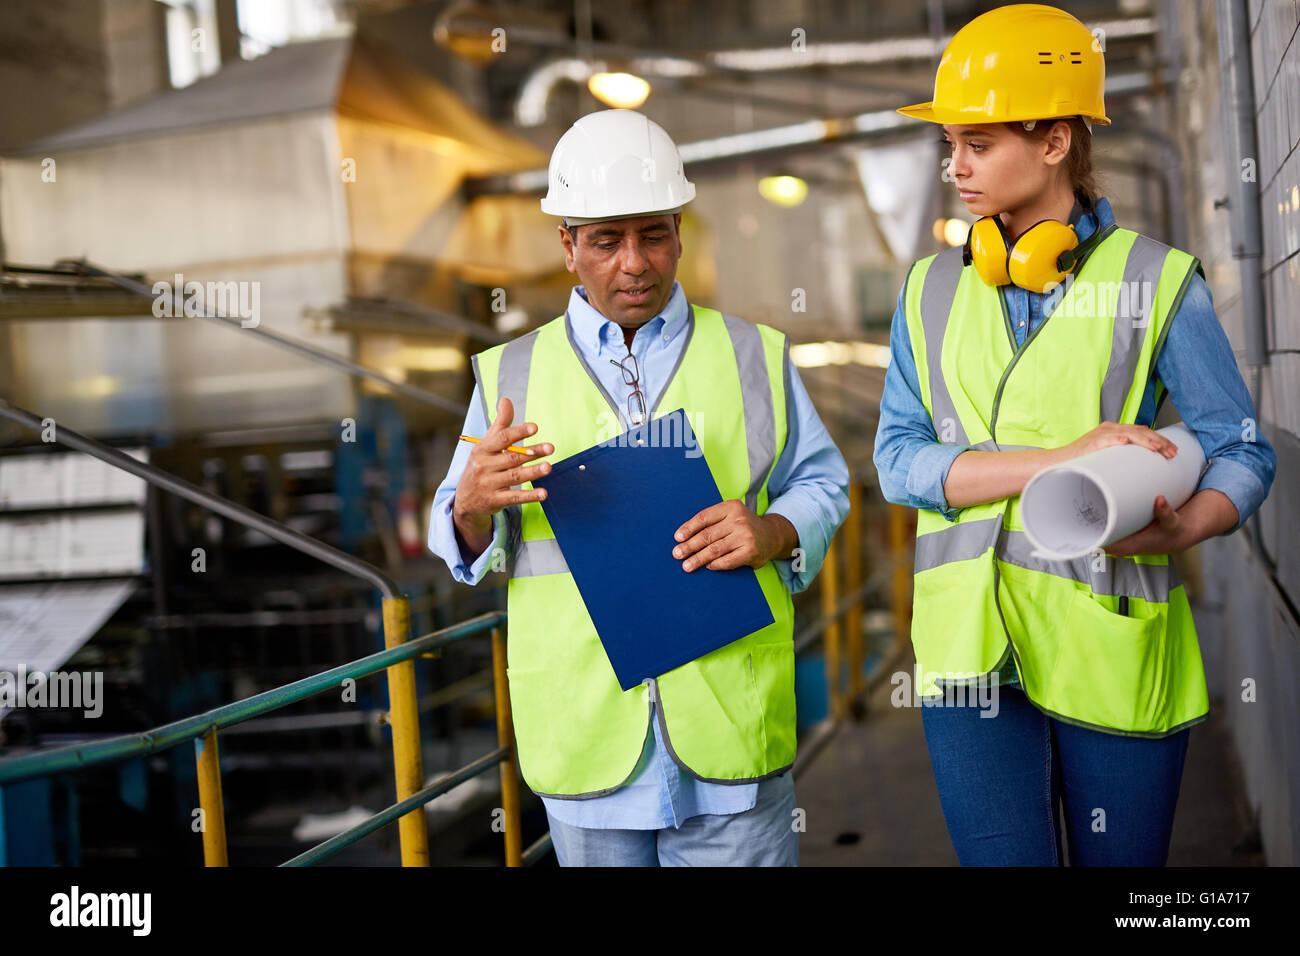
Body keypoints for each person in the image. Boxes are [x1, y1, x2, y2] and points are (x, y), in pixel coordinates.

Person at [874, 3, 1276, 866]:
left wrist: (1190, 524)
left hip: (1109, 627)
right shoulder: (928, 291)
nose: (956, 168)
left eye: (976, 146)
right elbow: (898, 462)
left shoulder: (1157, 280)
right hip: (969, 651)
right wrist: (1058, 461)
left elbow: (1241, 445)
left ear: (1055, 141)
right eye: (950, 146)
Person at [429, 108, 850, 866]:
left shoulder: (755, 354)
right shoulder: (509, 375)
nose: (635, 263)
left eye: (653, 234)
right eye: (605, 240)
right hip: (588, 740)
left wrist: (775, 531)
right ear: (567, 245)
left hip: (730, 732)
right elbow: (456, 530)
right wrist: (470, 505)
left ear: (680, 231)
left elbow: (822, 482)